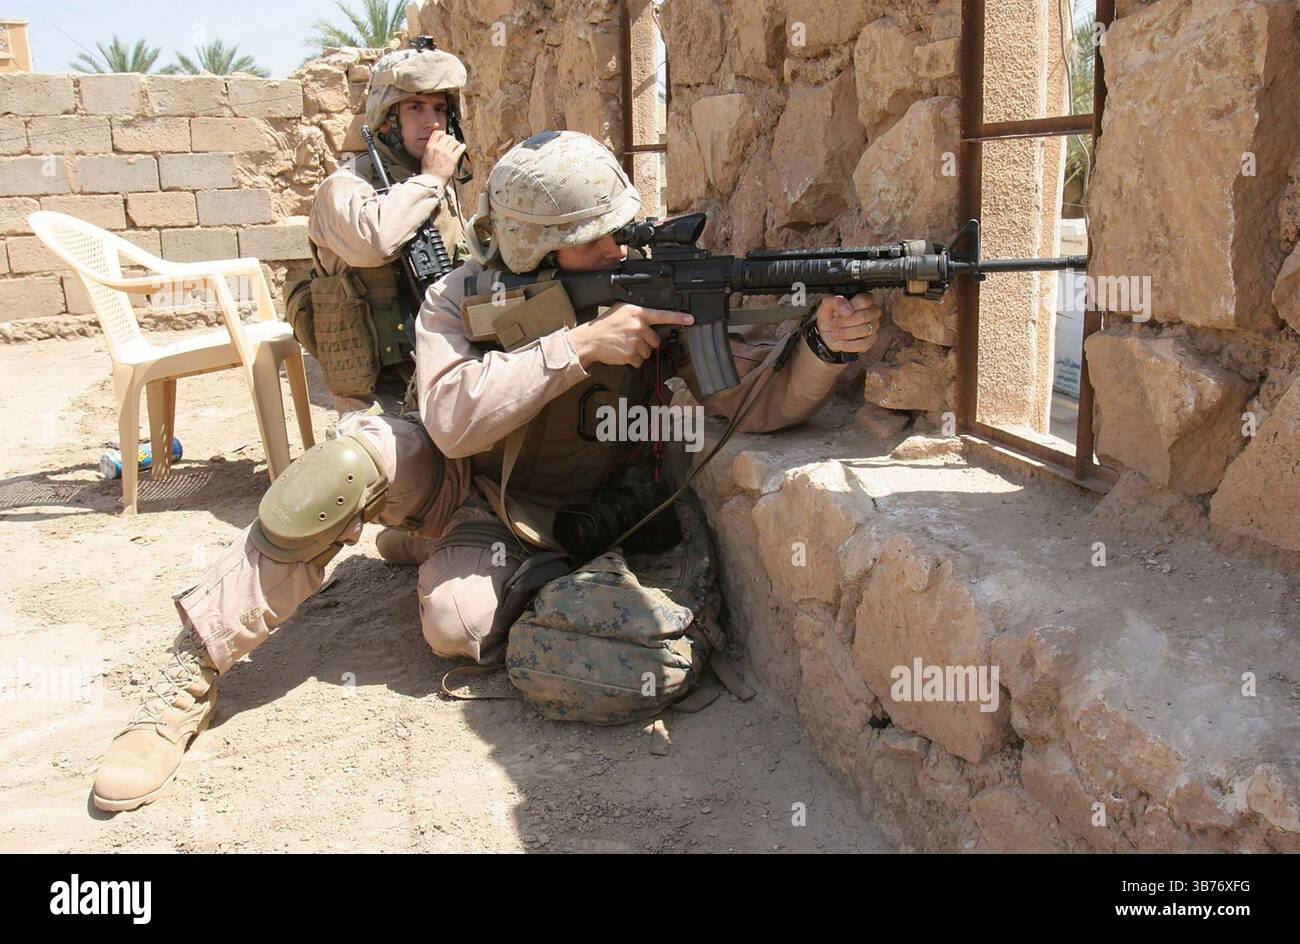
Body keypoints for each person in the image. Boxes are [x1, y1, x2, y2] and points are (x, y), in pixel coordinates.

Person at [89, 130, 883, 813]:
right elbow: (452, 423)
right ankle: (189, 672)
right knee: (341, 465)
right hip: (456, 481)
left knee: (457, 628)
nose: (618, 250)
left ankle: (428, 554)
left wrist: (824, 348)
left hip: (543, 516)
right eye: (596, 240)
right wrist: (576, 347)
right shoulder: (456, 298)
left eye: (620, 231)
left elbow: (758, 404)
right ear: (536, 249)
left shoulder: (645, 293)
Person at [294, 40, 470, 415]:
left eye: (440, 108)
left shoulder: (431, 184)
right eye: (416, 107)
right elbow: (376, 241)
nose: (433, 121)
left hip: (439, 365)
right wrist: (432, 180)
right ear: (387, 118)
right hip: (378, 393)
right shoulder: (344, 187)